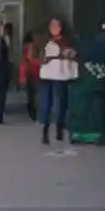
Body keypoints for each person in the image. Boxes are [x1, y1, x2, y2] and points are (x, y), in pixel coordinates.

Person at [69, 18, 105, 146]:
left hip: (88, 82)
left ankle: (82, 135)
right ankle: (101, 135)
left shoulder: (86, 44)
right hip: (101, 83)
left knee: (85, 108)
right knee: (100, 109)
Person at [38, 17, 77, 145]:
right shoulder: (44, 40)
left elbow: (74, 55)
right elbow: (39, 56)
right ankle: (45, 129)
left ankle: (59, 125)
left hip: (61, 75)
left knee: (61, 103)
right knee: (46, 103)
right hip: (47, 75)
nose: (54, 29)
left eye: (57, 26)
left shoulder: (68, 41)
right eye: (52, 26)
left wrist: (69, 54)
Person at [19, 31, 41, 121]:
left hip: (27, 70)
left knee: (30, 93)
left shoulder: (24, 47)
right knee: (36, 92)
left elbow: (25, 59)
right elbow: (31, 57)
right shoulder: (33, 46)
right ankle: (34, 111)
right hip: (34, 69)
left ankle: (31, 109)